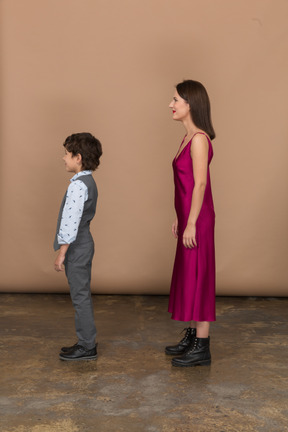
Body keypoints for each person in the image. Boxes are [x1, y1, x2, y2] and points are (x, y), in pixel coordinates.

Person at [165, 80, 216, 367]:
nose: (171, 105)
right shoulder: (187, 138)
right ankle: (194, 337)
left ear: (190, 104)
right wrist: (180, 217)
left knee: (200, 276)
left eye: (175, 100)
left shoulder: (198, 139)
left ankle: (202, 346)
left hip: (199, 219)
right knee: (190, 275)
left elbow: (199, 185)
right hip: (190, 216)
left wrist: (193, 222)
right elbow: (185, 186)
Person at [54, 132, 102, 361]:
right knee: (81, 294)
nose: (64, 158)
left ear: (78, 157)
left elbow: (70, 222)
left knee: (80, 296)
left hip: (77, 246)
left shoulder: (77, 186)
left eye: (66, 154)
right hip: (84, 243)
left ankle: (86, 346)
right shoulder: (87, 182)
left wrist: (62, 252)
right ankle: (85, 341)